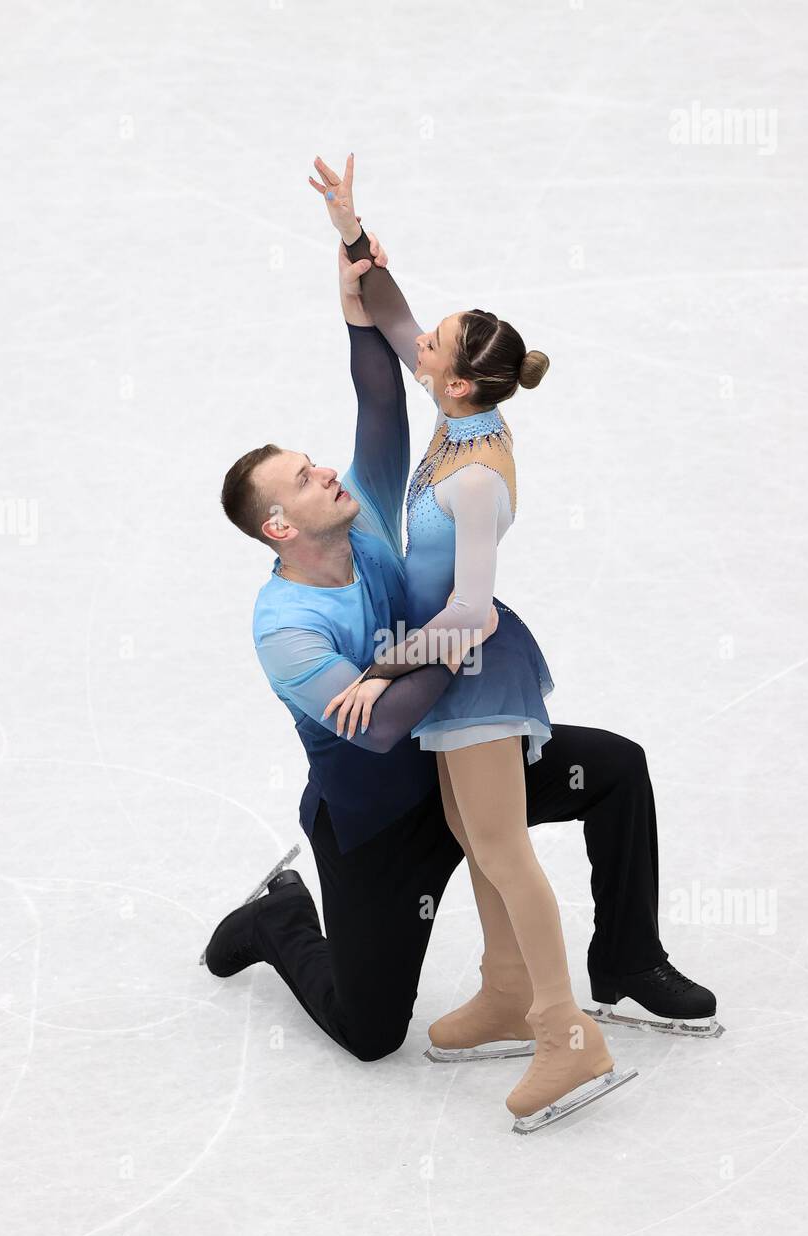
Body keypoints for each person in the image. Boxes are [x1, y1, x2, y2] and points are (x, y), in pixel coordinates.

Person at [204, 210, 719, 1131]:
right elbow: (388, 726)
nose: (327, 471)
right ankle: (281, 918)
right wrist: (363, 275)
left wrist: (353, 273)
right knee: (371, 1030)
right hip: (382, 811)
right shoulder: (285, 625)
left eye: (318, 466)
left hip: (464, 718)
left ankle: (587, 991)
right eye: (302, 478)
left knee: (605, 777)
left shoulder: (380, 503)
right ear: (279, 528)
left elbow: (378, 388)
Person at [311, 154, 622, 1126]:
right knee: (466, 833)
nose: (420, 343)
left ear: (449, 381)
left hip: (474, 664)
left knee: (499, 841)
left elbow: (472, 612)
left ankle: (568, 1032)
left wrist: (389, 662)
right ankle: (502, 989)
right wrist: (352, 235)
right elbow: (396, 317)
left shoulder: (476, 474)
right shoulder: (457, 398)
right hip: (441, 658)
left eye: (433, 345)